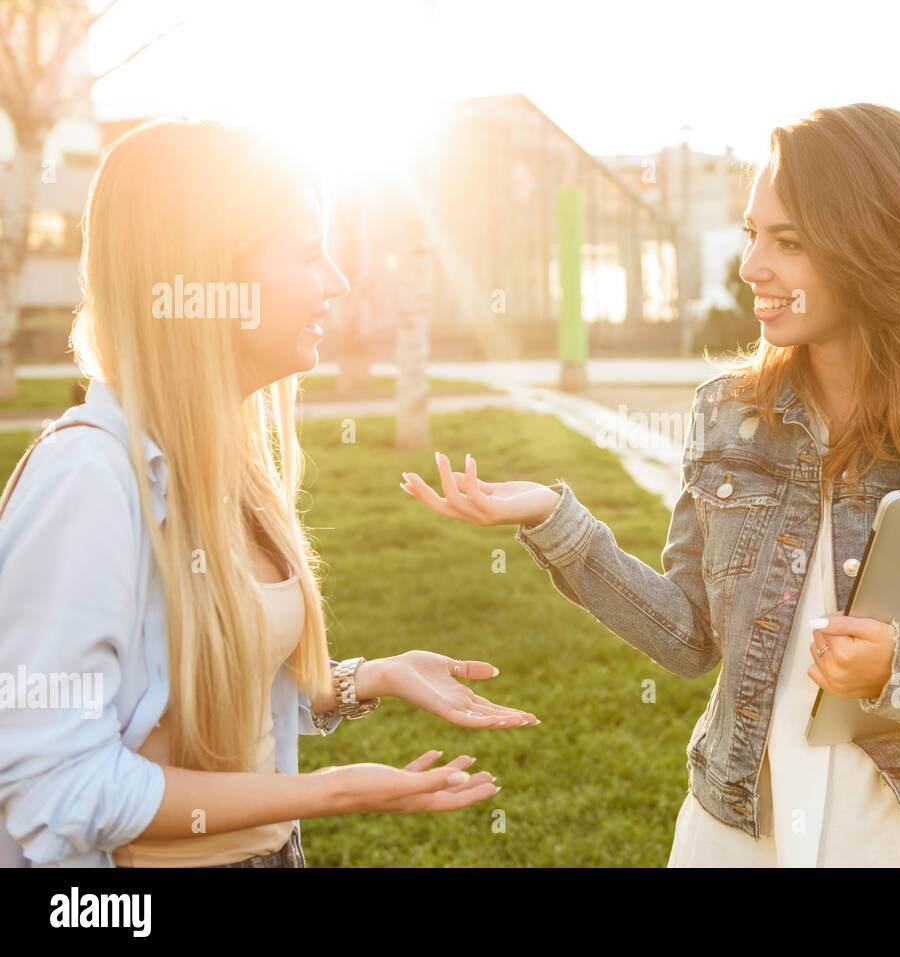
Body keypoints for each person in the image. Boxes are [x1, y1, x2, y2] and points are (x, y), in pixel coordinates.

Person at [400, 102, 900, 867]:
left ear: (873, 245)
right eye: (751, 234)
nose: (750, 267)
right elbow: (690, 636)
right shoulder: (728, 415)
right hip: (737, 829)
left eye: (788, 241)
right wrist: (556, 521)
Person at [0, 118, 537, 869]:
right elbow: (56, 788)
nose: (339, 281)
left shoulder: (228, 458)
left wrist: (367, 677)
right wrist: (328, 791)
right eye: (310, 254)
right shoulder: (87, 480)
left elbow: (215, 696)